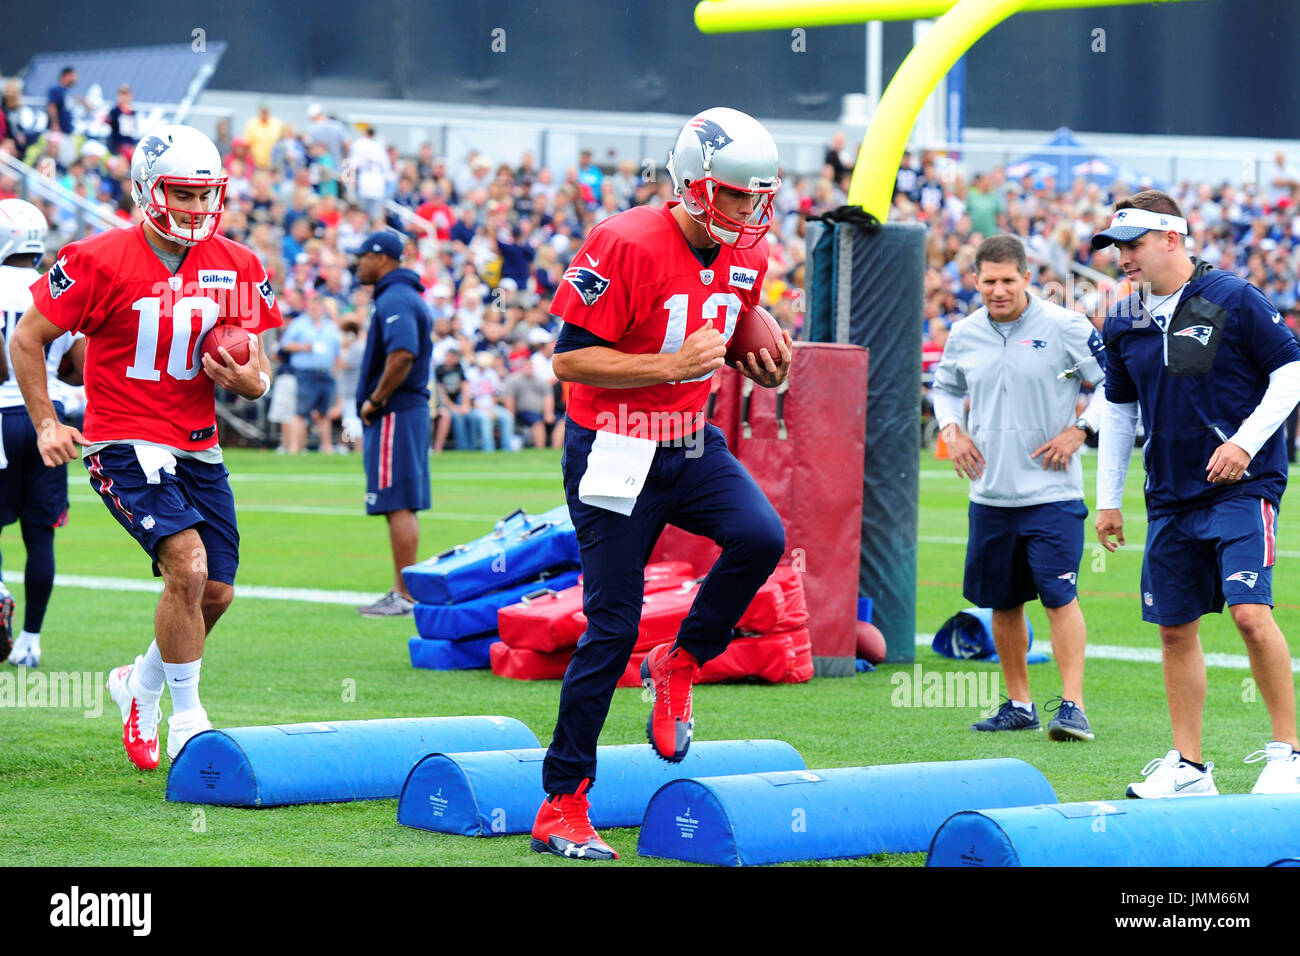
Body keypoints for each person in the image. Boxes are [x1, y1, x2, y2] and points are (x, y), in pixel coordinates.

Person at [530, 107, 790, 861]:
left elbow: (726, 306)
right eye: (736, 195)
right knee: (610, 627)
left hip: (688, 437)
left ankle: (679, 660)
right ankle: (562, 804)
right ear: (692, 183)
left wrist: (754, 333)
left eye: (756, 197)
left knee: (760, 537)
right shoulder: (624, 239)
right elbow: (570, 360)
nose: (748, 211)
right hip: (615, 448)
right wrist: (665, 366)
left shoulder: (748, 251)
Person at [9, 125, 281, 769]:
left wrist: (252, 381)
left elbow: (257, 368)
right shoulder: (99, 258)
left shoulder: (238, 263)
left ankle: (142, 686)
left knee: (215, 592)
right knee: (186, 567)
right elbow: (26, 339)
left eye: (202, 193)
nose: (192, 206)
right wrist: (47, 421)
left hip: (200, 446)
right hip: (123, 439)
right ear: (146, 189)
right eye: (180, 192)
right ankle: (189, 722)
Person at [1092, 190, 1300, 797]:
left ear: (1171, 239)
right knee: (1174, 630)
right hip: (1170, 494)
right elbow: (1118, 410)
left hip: (1242, 486)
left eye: (1132, 245)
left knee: (1250, 615)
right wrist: (1110, 498)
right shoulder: (1122, 318)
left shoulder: (1233, 296)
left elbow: (1292, 372)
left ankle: (1289, 753)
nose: (1123, 258)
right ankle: (1188, 767)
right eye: (1116, 247)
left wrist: (1244, 443)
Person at [932, 235, 1107, 742]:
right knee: (1002, 603)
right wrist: (951, 430)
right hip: (989, 495)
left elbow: (1114, 385)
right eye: (989, 281)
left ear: (1028, 279)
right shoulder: (964, 333)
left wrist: (1081, 431)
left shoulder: (1064, 326)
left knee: (1058, 598)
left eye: (1008, 280)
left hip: (1052, 494)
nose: (999, 290)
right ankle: (1019, 704)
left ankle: (1072, 706)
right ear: (976, 281)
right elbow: (944, 388)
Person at [0, 199, 83, 667]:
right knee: (41, 536)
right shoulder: (52, 286)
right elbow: (81, 365)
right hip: (47, 420)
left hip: (1, 414)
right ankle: (30, 641)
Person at [353, 230, 433, 618]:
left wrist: (376, 399)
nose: (357, 263)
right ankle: (404, 590)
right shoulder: (401, 294)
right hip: (408, 411)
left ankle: (403, 595)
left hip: (396, 411)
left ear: (381, 258)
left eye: (362, 256)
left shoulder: (395, 297)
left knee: (397, 502)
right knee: (402, 502)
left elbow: (402, 354)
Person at [279, 293, 341, 453]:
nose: (314, 310)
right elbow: (285, 345)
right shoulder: (299, 324)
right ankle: (295, 448)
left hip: (326, 373)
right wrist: (303, 347)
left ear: (322, 308)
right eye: (312, 307)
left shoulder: (330, 325)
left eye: (317, 307)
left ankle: (327, 447)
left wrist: (335, 371)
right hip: (306, 373)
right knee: (301, 412)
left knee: (324, 412)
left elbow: (336, 351)